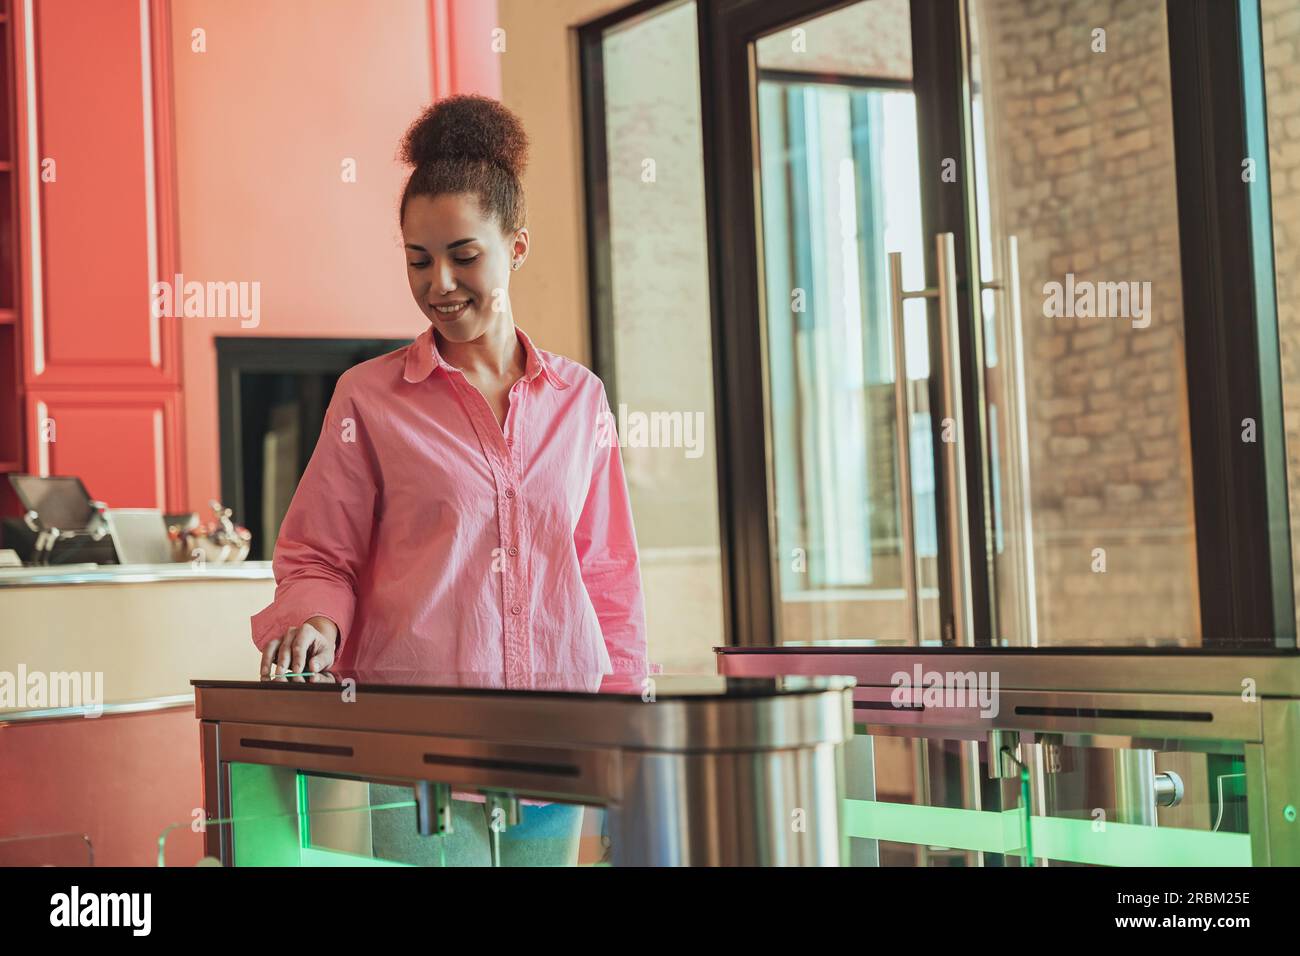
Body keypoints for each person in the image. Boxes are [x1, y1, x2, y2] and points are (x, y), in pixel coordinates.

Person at [249, 94, 648, 864]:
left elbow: (608, 573)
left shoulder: (581, 399)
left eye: (464, 255)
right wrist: (316, 621)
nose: (440, 283)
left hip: (554, 748)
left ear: (517, 247)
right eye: (418, 259)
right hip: (414, 754)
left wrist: (627, 720)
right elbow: (318, 554)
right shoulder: (367, 398)